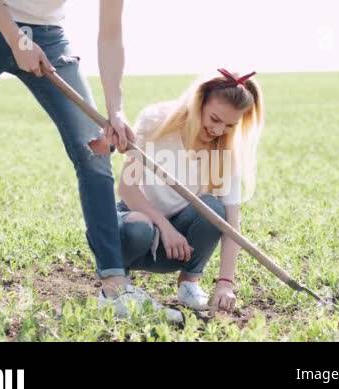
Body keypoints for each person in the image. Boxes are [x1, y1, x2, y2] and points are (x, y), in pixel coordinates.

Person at [0, 0, 183, 323]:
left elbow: (110, 33)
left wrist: (116, 109)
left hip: (49, 37)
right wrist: (18, 40)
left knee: (95, 148)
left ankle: (115, 289)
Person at [111, 68, 264, 313]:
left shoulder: (223, 152)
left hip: (178, 247)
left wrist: (226, 283)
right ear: (198, 102)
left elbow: (231, 224)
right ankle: (119, 285)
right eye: (214, 119)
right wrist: (165, 226)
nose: (218, 130)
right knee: (139, 226)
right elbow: (126, 189)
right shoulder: (155, 121)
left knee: (214, 208)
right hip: (134, 228)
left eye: (229, 125)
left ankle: (189, 283)